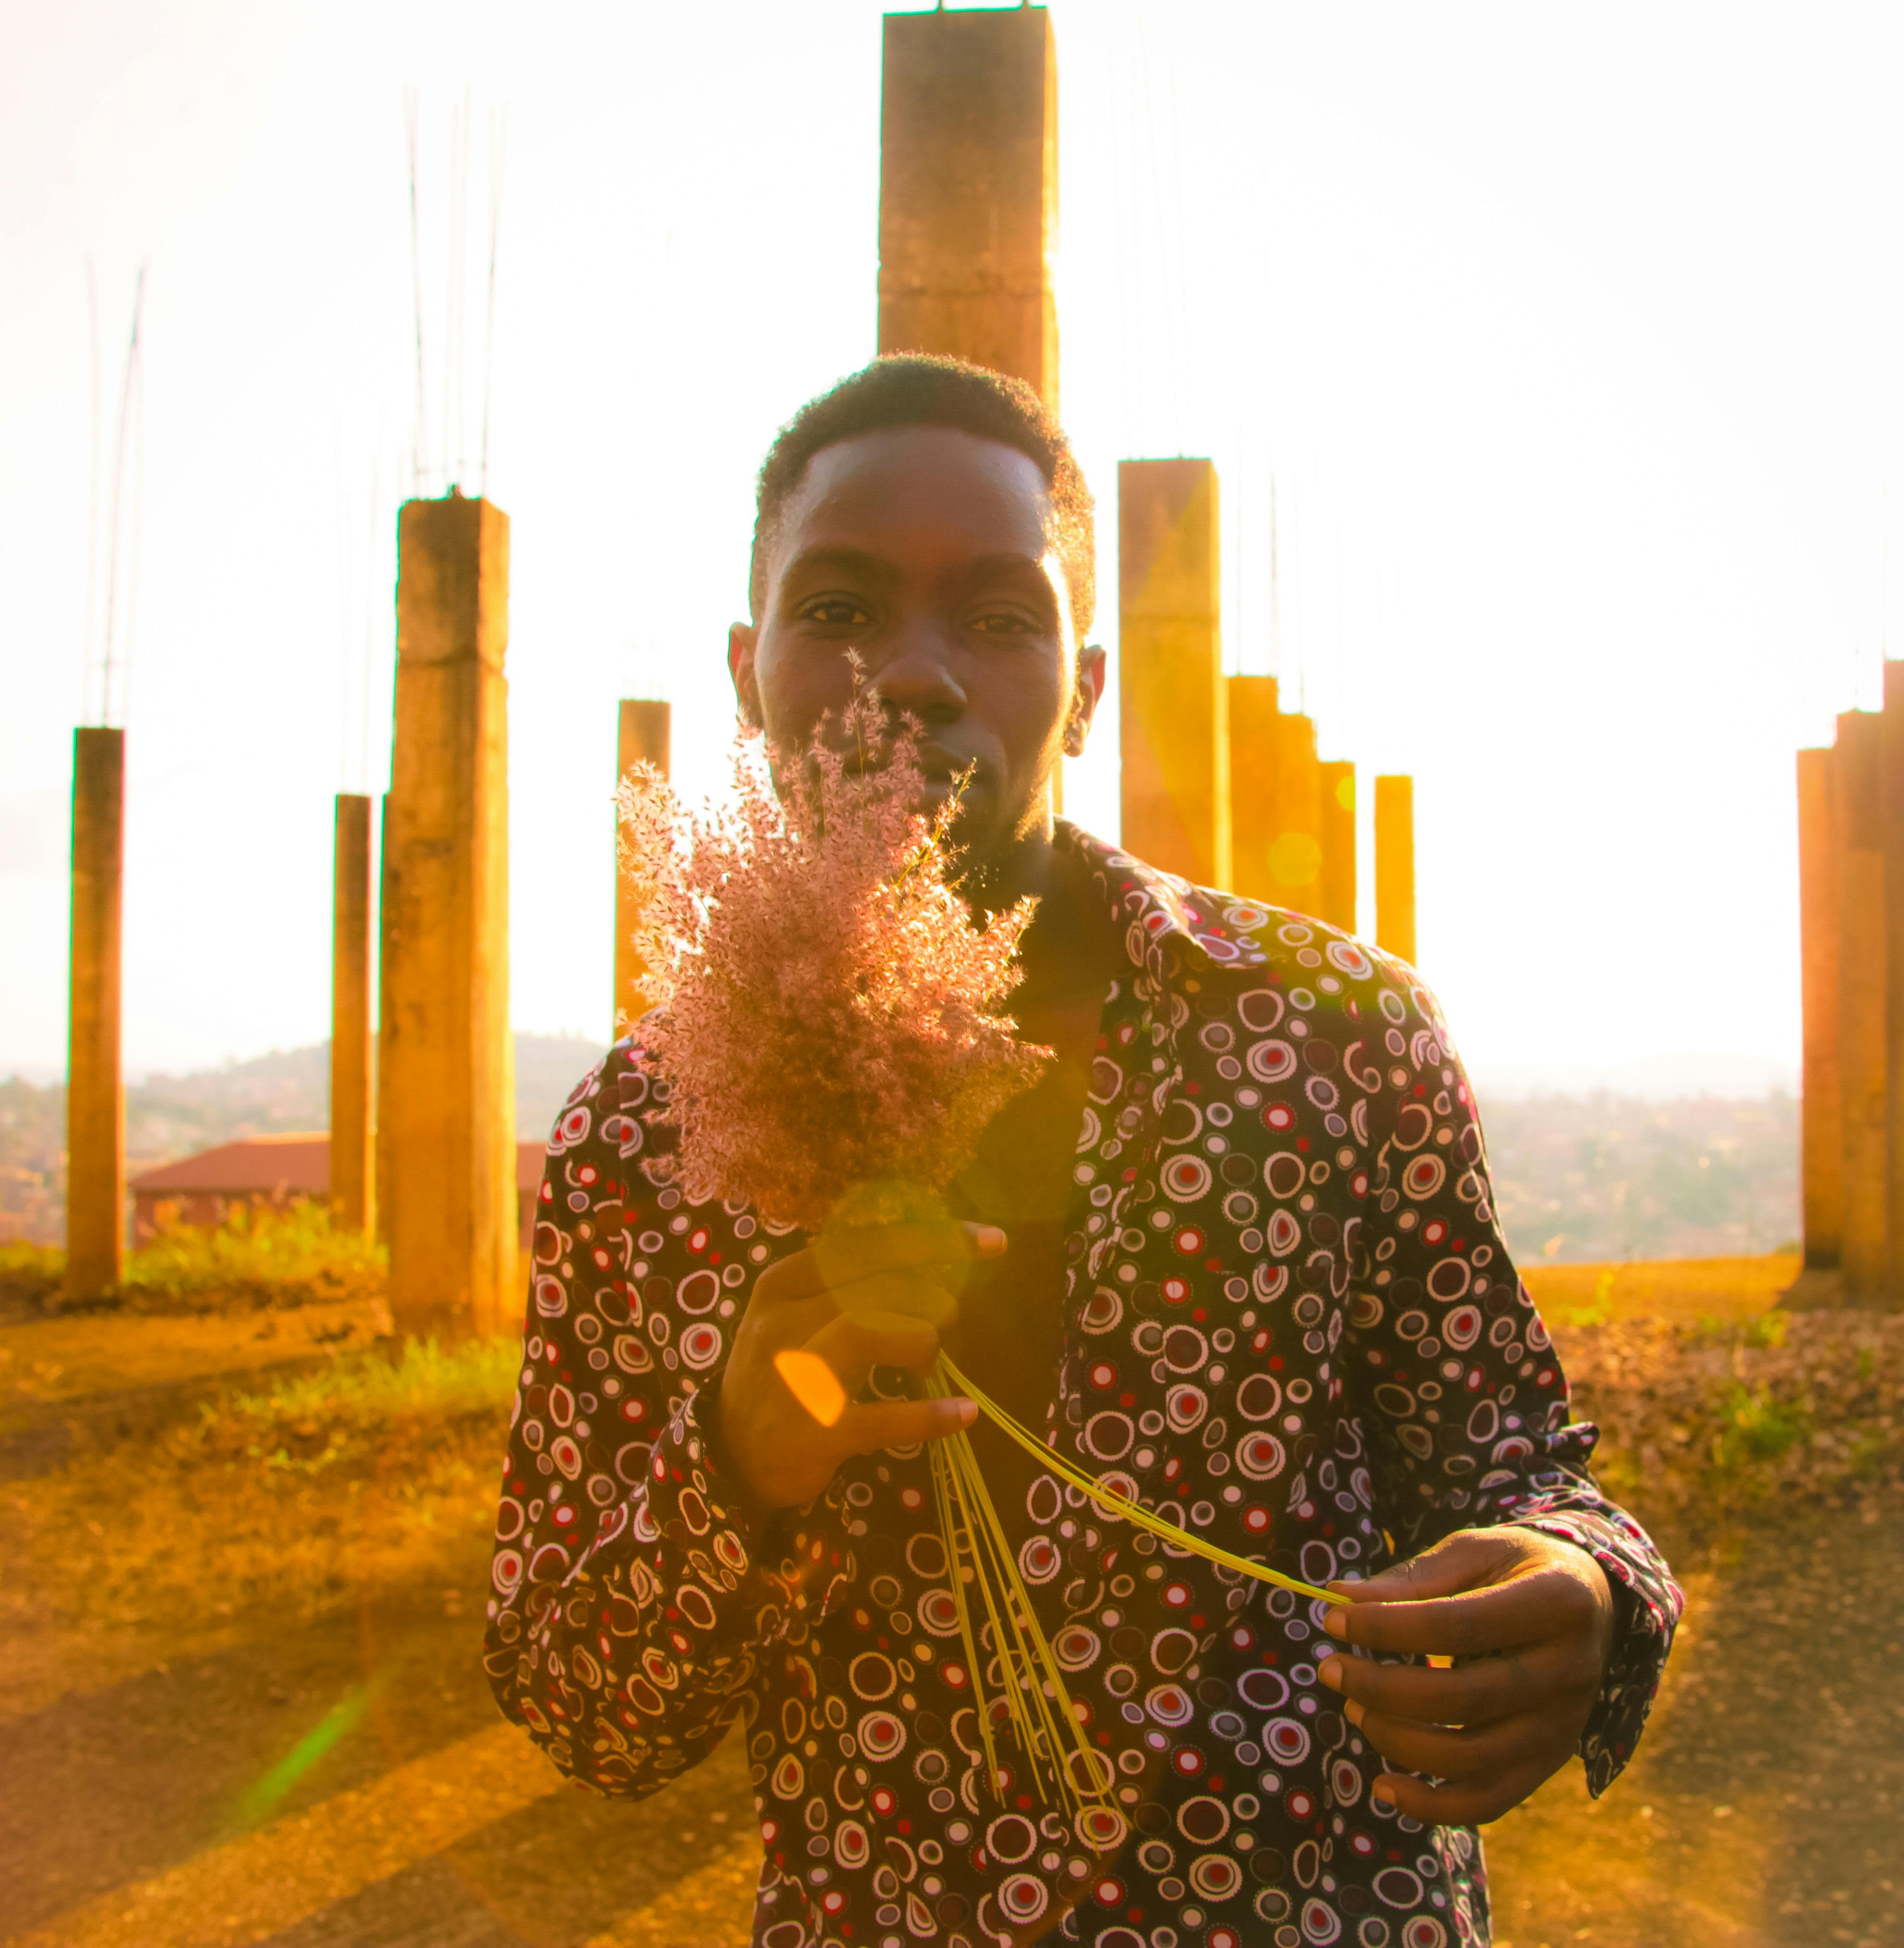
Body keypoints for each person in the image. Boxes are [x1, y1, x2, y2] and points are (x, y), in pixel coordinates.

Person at [483, 356, 1682, 1948]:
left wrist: (1583, 1589)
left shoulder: (1334, 1035)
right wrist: (739, 1457)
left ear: (1087, 683)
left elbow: (1526, 1469)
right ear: (744, 666)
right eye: (838, 609)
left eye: (996, 616)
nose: (911, 674)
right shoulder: (646, 1134)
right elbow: (582, 1702)